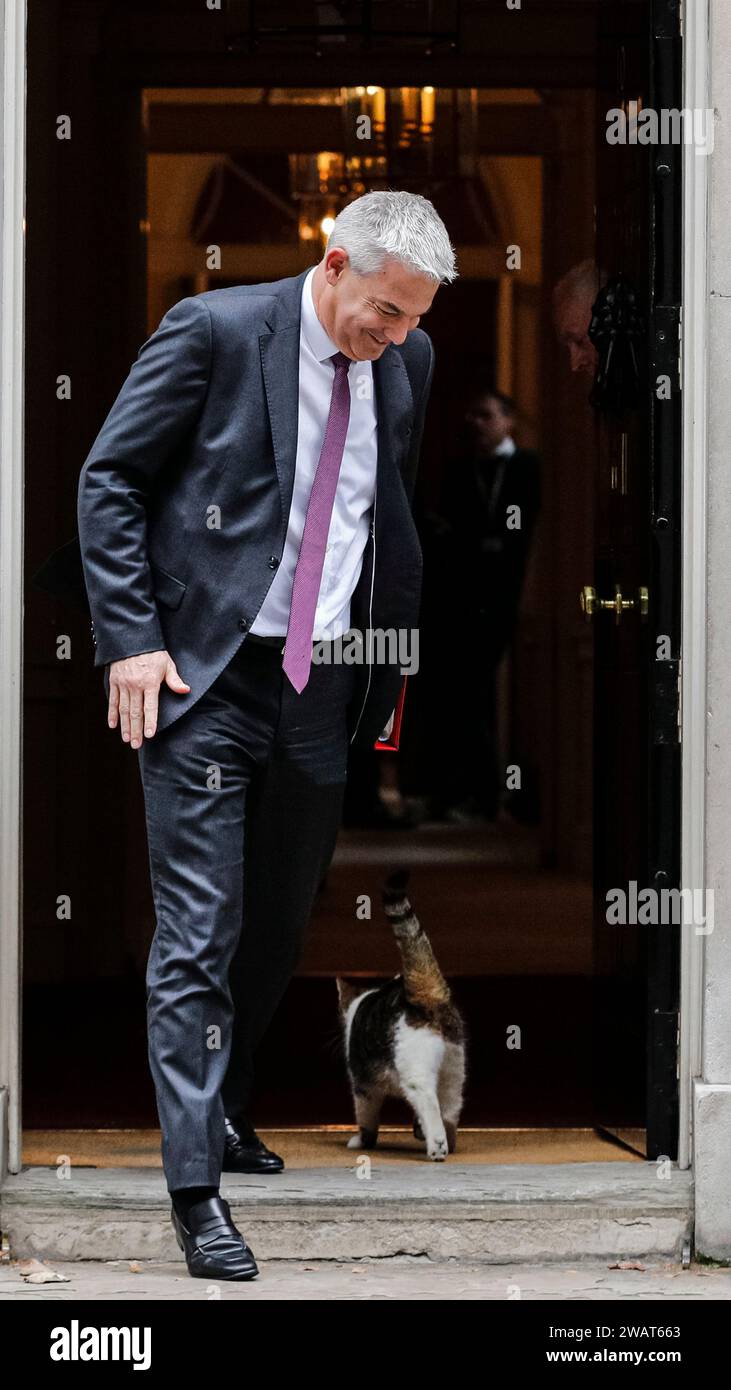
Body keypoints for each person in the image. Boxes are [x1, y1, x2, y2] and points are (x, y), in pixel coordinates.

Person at [76, 190, 456, 1280]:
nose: (391, 338)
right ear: (331, 263)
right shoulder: (216, 331)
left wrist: (383, 663)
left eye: (410, 322)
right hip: (202, 672)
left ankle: (227, 1109)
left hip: (320, 682)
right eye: (380, 311)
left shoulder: (407, 362)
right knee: (199, 928)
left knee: (277, 924)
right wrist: (131, 640)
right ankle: (194, 1188)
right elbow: (110, 479)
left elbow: (376, 504)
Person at [429, 389, 541, 820]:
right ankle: (468, 793)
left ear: (509, 420)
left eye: (486, 415)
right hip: (461, 601)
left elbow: (528, 530)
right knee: (463, 696)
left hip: (511, 598)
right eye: (471, 416)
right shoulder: (460, 471)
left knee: (502, 696)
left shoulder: (529, 467)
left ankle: (505, 794)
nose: (476, 423)